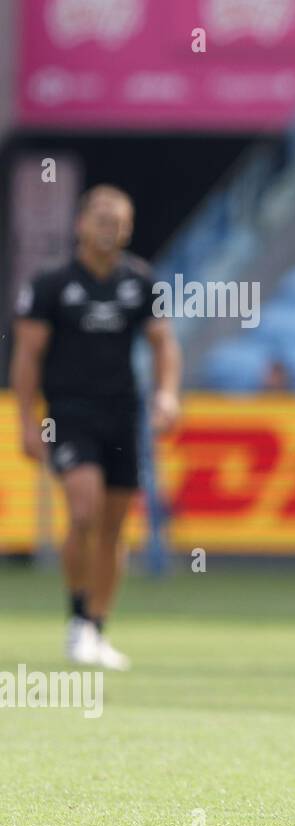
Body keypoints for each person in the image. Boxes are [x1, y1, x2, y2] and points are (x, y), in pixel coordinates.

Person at [10, 185, 181, 669]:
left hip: (123, 414)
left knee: (113, 525)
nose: (112, 227)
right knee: (83, 511)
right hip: (70, 413)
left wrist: (167, 394)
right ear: (80, 224)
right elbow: (27, 355)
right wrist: (28, 421)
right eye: (103, 217)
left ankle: (97, 628)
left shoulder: (140, 281)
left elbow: (164, 345)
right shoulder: (51, 283)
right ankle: (77, 617)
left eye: (121, 219)